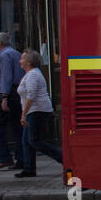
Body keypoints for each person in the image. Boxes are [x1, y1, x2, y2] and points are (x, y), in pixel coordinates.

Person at [14, 50, 62, 178]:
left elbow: (31, 95)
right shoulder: (30, 74)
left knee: (34, 141)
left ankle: (63, 158)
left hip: (37, 111)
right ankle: (29, 168)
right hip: (34, 111)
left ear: (28, 62)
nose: (20, 61)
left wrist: (23, 114)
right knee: (27, 141)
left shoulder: (32, 75)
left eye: (22, 59)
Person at [0, 32, 23, 170]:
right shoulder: (15, 53)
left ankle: (4, 157)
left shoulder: (4, 56)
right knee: (17, 127)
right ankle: (22, 159)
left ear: (0, 43)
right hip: (18, 92)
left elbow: (6, 78)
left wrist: (4, 97)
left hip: (9, 94)